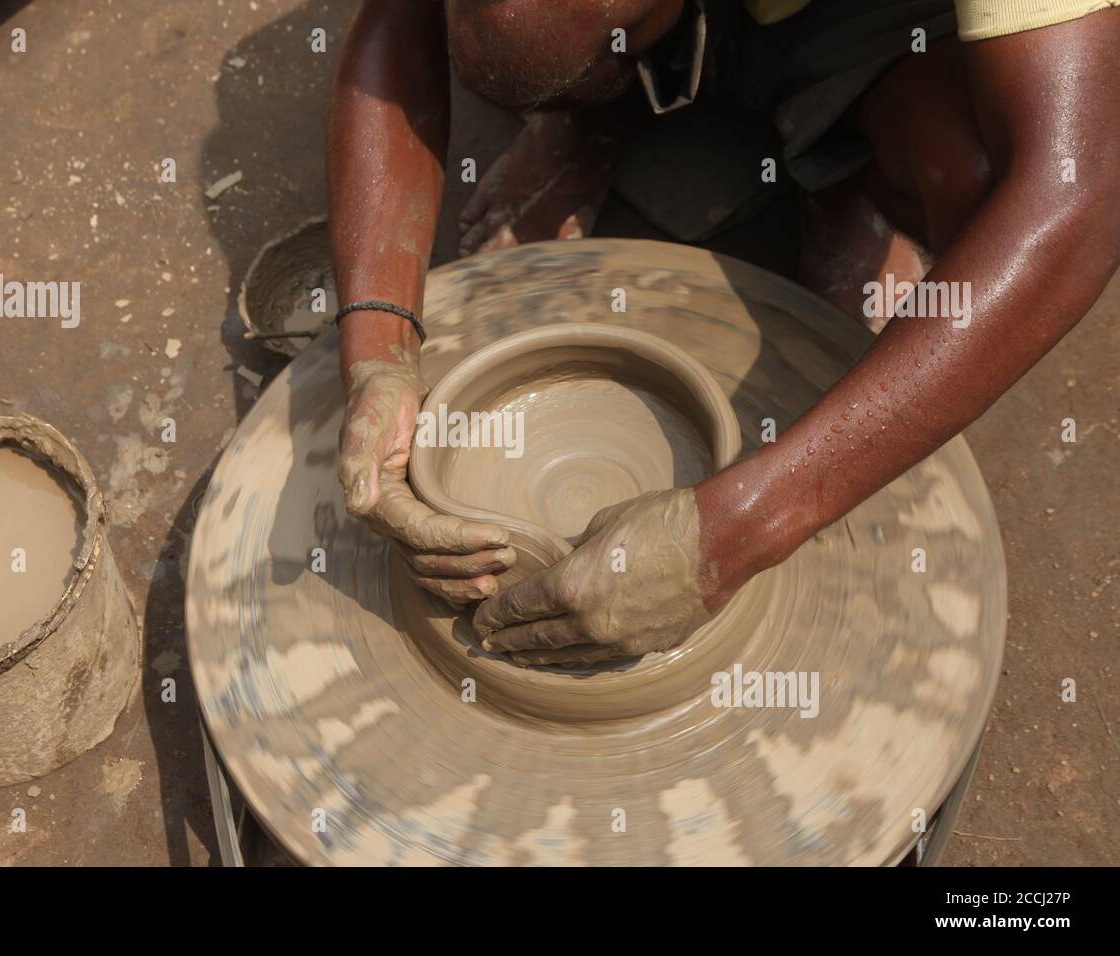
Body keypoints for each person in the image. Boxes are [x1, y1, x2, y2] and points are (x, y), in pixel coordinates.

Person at [327, 0, 1120, 666]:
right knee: (517, 22)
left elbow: (1078, 190)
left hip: (880, 29)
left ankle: (859, 171)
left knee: (977, 170)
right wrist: (378, 352)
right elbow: (403, 14)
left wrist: (733, 534)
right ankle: (598, 105)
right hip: (663, 19)